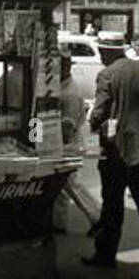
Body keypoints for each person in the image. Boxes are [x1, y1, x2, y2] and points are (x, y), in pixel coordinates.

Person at [84, 52, 139, 279]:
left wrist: (92, 123)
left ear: (105, 51)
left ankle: (106, 254)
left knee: (112, 203)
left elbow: (100, 111)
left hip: (119, 150)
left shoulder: (107, 74)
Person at [53, 52, 100, 234]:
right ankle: (58, 222)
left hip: (68, 144)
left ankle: (97, 217)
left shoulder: (70, 93)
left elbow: (68, 128)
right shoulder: (60, 87)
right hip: (63, 142)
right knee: (60, 186)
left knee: (72, 184)